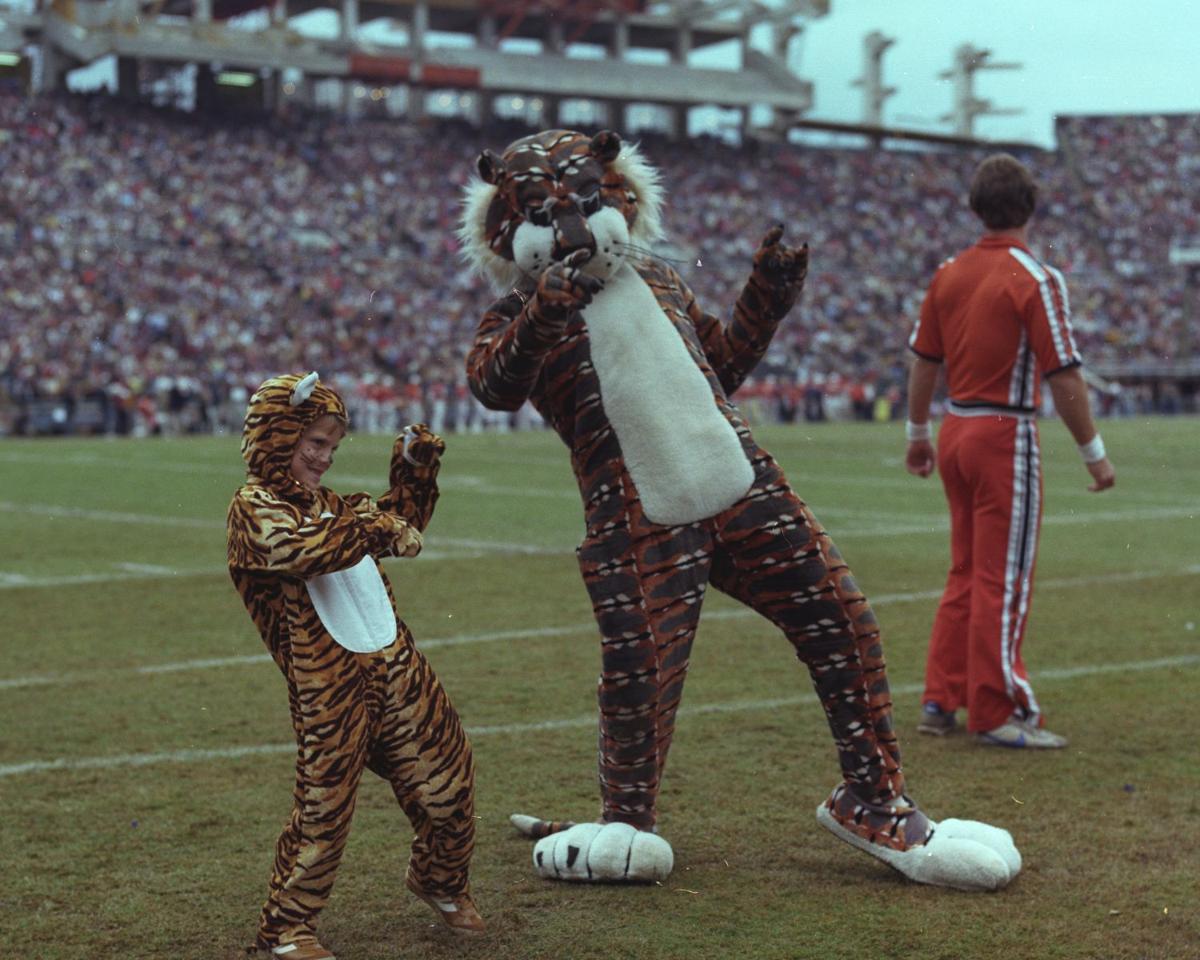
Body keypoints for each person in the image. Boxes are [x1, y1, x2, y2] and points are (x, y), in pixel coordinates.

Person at [226, 372, 482, 960]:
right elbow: (301, 551)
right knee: (325, 807)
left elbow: (397, 520)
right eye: (312, 443)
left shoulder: (330, 505)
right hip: (330, 688)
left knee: (450, 776)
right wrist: (373, 527)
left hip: (395, 666)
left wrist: (414, 470)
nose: (322, 458)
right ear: (275, 435)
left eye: (331, 447)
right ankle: (285, 931)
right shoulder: (253, 508)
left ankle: (440, 882)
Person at [904, 154, 1116, 750]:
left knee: (965, 571)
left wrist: (916, 434)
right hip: (1005, 434)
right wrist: (1094, 452)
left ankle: (940, 697)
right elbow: (1064, 374)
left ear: (976, 208)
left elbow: (924, 360)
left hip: (953, 429)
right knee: (1005, 575)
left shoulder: (948, 272)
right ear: (1031, 207)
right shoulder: (1036, 278)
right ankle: (996, 708)